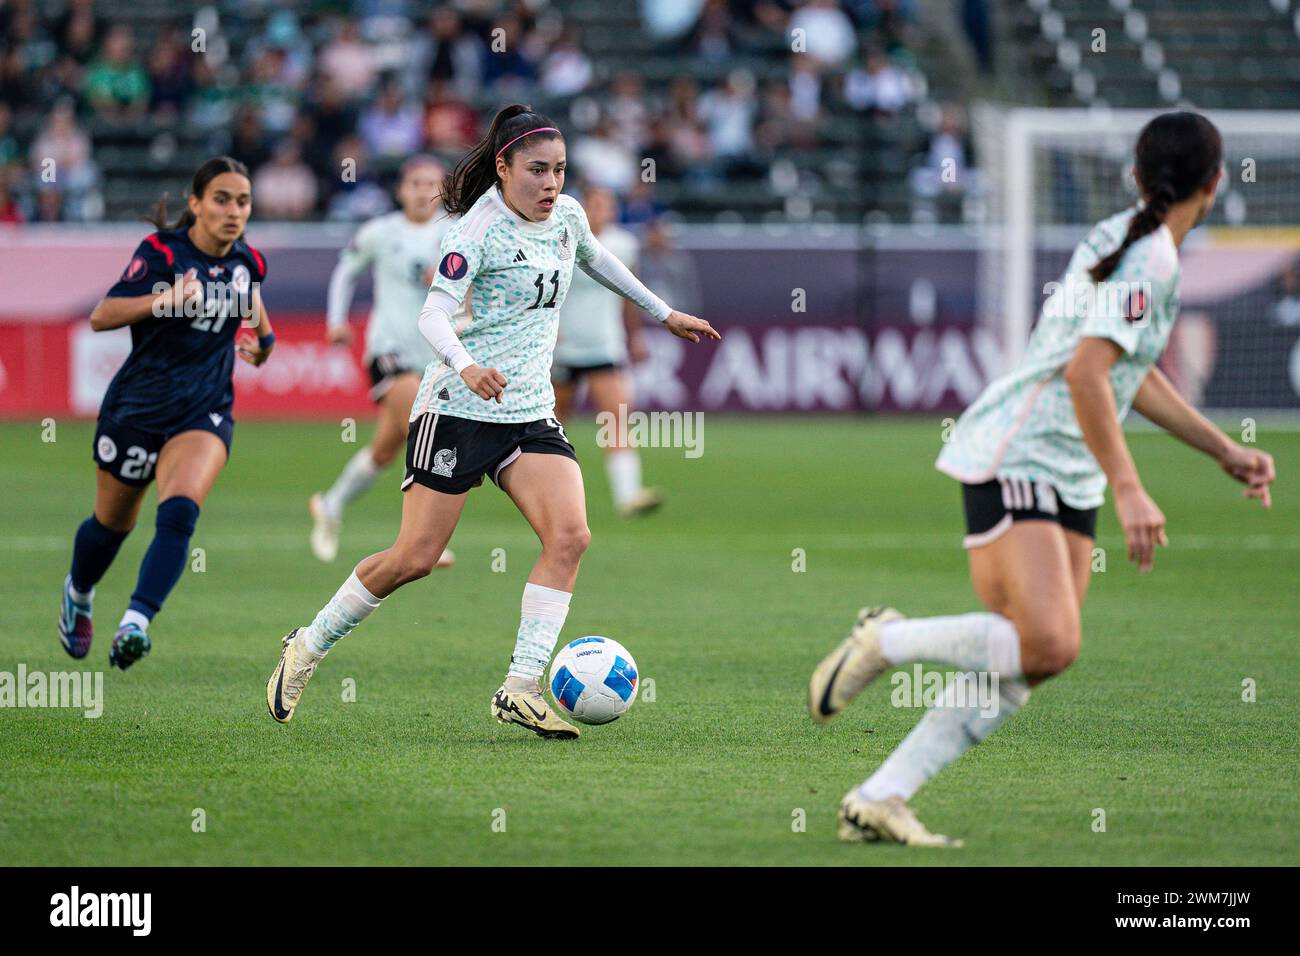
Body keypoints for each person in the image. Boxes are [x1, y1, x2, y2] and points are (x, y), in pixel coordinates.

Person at [808, 112, 1276, 846]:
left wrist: (1220, 449)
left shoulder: (1136, 242)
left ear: (1136, 175)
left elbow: (1129, 370)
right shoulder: (1147, 256)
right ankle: (887, 641)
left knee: (1030, 661)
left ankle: (880, 797)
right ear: (1215, 184)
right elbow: (1088, 374)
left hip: (1070, 466)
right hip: (1024, 451)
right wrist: (1131, 487)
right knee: (1050, 644)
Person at [266, 105, 720, 737]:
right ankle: (307, 645)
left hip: (529, 412)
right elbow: (433, 315)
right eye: (537, 170)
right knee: (414, 558)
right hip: (457, 408)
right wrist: (465, 362)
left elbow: (597, 260)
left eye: (559, 170)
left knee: (571, 537)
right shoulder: (475, 229)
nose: (550, 184)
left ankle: (521, 687)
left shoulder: (566, 217)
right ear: (503, 168)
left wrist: (663, 311)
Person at [59, 156, 274, 669]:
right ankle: (79, 591)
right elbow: (101, 316)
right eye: (221, 199)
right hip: (138, 408)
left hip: (205, 410)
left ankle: (136, 622)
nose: (233, 211)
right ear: (196, 204)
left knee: (178, 512)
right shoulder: (160, 253)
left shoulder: (250, 261)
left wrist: (264, 343)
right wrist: (166, 299)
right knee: (111, 525)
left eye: (242, 201)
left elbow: (252, 301)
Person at [309, 155, 455, 568]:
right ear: (401, 190)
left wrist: (448, 282)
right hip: (388, 350)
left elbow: (474, 284)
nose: (424, 190)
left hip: (432, 354)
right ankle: (422, 538)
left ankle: (331, 504)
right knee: (425, 425)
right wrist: (337, 321)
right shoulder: (380, 231)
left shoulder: (456, 233)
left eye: (432, 183)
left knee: (386, 448)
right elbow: (345, 272)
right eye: (415, 183)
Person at [552, 184, 661, 517]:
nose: (602, 212)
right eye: (595, 206)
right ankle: (545, 491)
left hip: (604, 345)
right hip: (564, 348)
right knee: (553, 425)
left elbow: (630, 295)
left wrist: (635, 336)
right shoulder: (560, 239)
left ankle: (628, 496)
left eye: (607, 206)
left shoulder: (623, 245)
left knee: (616, 419)